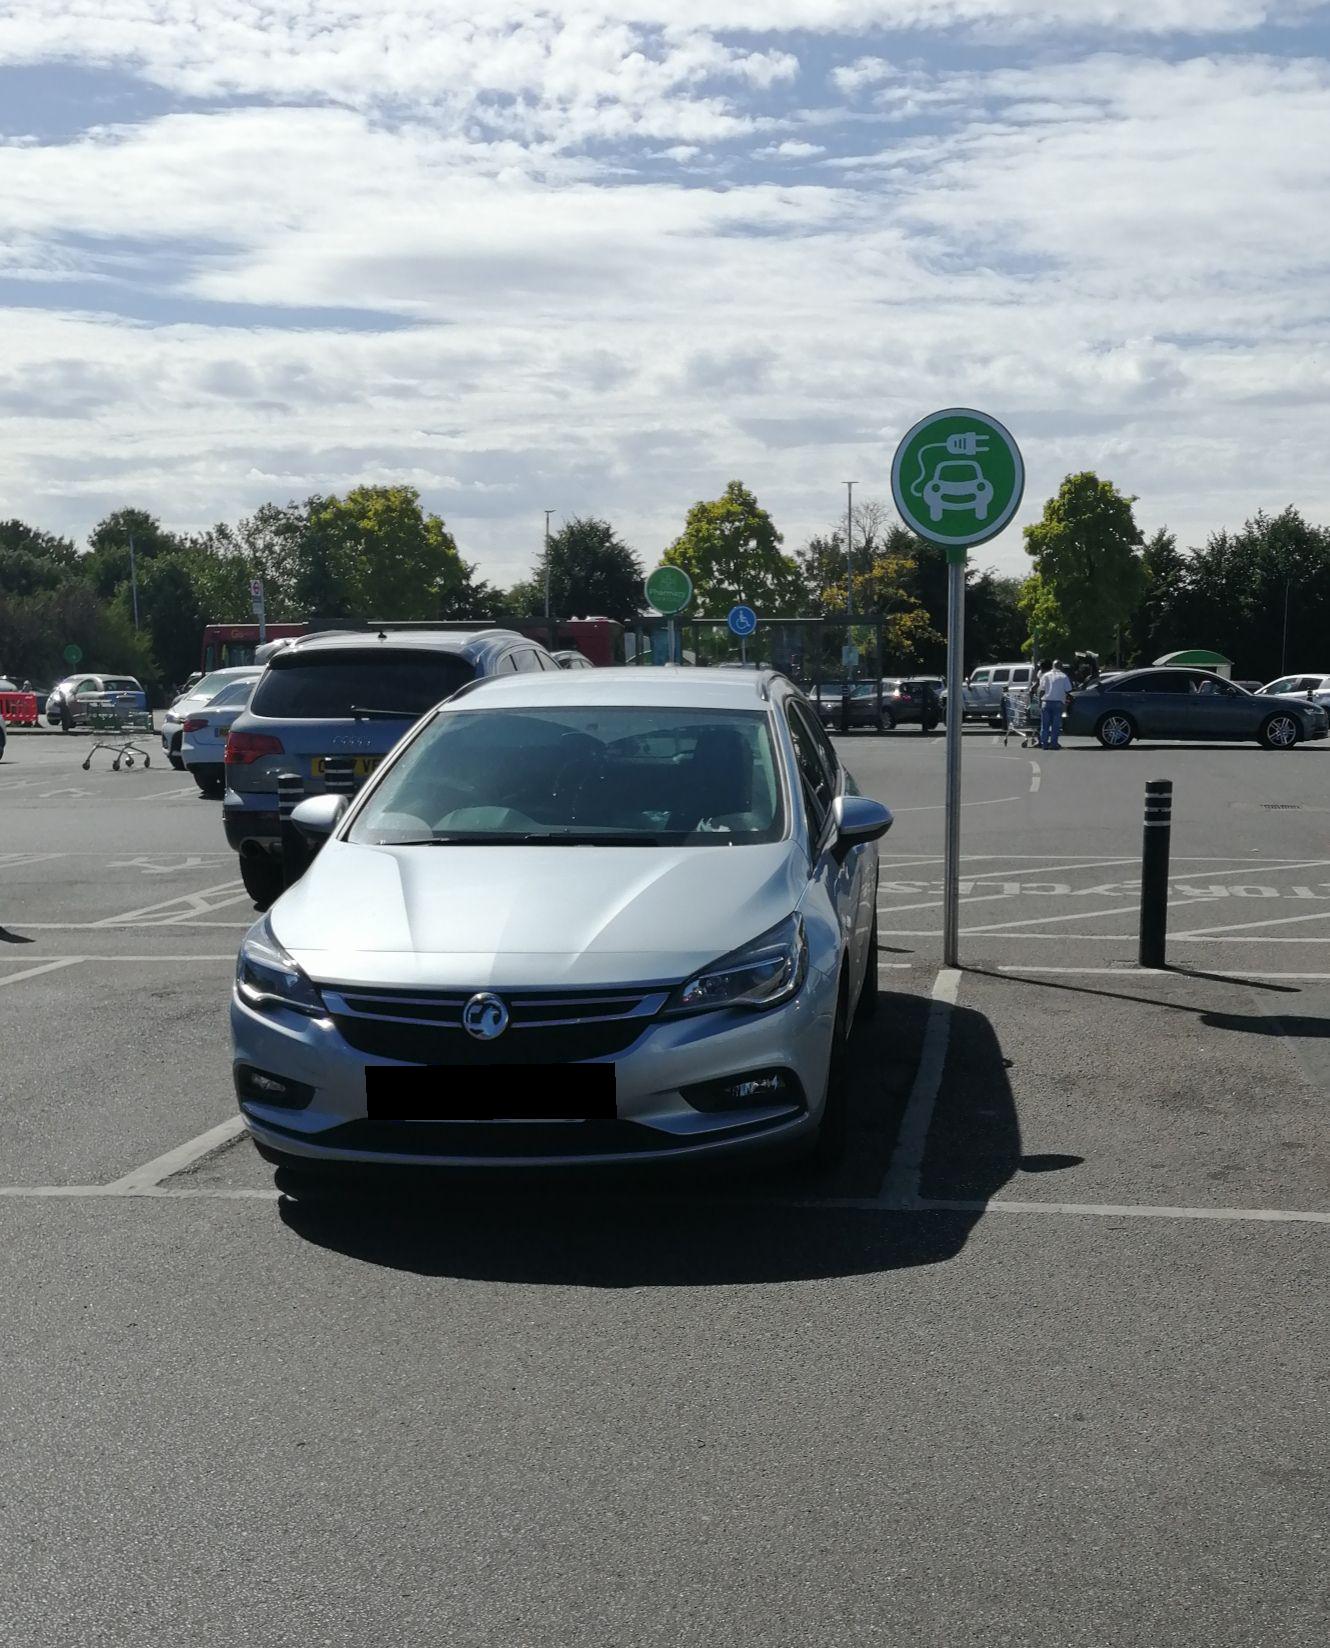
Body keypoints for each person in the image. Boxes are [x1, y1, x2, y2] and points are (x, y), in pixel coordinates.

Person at [1037, 658, 1071, 749]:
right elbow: (1068, 689)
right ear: (1061, 667)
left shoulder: (1046, 675)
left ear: (1052, 666)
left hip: (1046, 702)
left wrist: (1040, 702)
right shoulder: (1064, 676)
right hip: (1058, 703)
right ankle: (1054, 744)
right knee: (1055, 725)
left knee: (1045, 725)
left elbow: (1041, 690)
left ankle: (1044, 744)